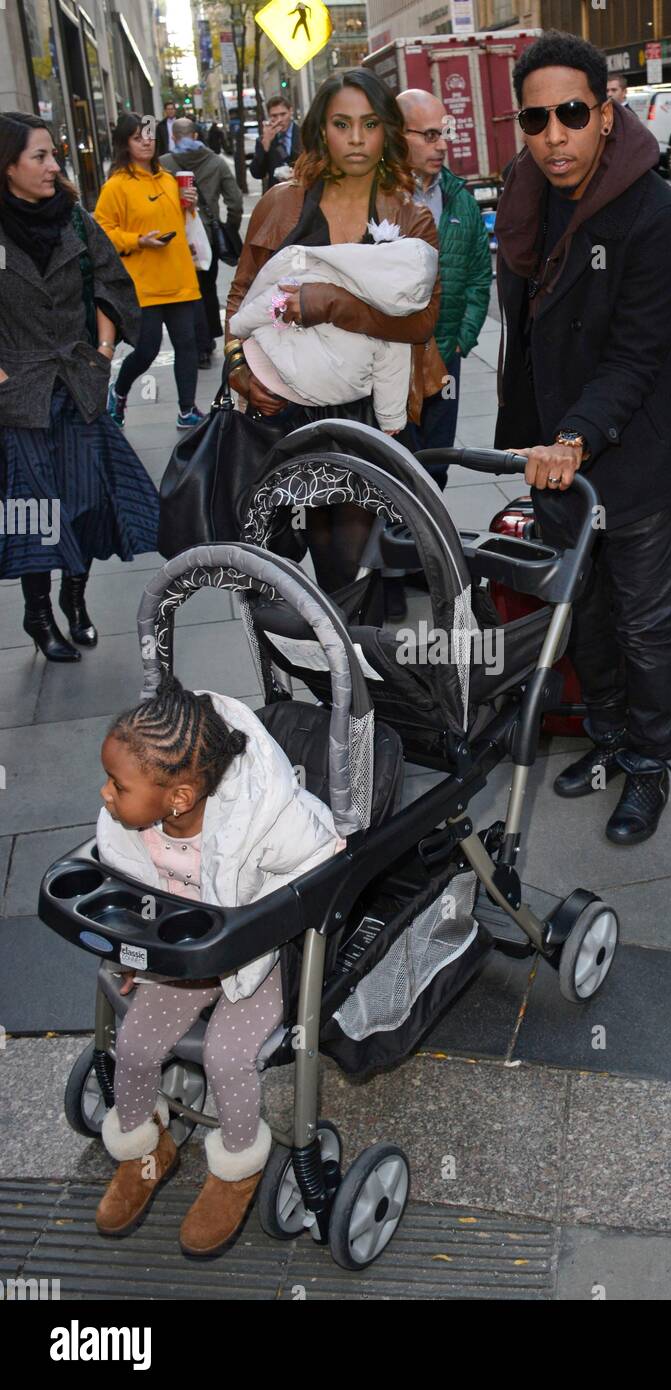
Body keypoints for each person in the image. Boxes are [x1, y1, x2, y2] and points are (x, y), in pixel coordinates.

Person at [494, 32, 671, 845]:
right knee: (581, 609)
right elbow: (525, 331)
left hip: (640, 454)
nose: (554, 134)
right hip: (558, 455)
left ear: (606, 113)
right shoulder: (523, 198)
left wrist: (575, 438)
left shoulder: (657, 215)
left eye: (572, 114)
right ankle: (609, 739)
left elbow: (635, 353)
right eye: (537, 117)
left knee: (642, 624)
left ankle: (649, 765)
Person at [94, 677, 342, 1255]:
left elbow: (325, 856)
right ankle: (142, 1149)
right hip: (179, 958)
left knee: (226, 1055)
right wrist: (130, 948)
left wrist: (266, 916)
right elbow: (125, 888)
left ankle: (236, 1167)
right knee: (132, 1044)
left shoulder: (264, 820)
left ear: (178, 797)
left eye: (118, 785)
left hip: (249, 962)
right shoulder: (130, 821)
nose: (106, 795)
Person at [225, 67, 444, 595]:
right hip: (284, 405)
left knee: (344, 557)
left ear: (387, 131)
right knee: (279, 565)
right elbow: (241, 299)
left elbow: (420, 323)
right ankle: (332, 659)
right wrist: (236, 369)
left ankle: (349, 664)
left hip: (366, 404)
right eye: (341, 123)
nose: (355, 138)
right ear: (321, 129)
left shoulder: (409, 217)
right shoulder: (282, 203)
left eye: (369, 124)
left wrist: (331, 304)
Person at [0, 112, 159, 662]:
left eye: (53, 154)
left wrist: (105, 350)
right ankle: (38, 613)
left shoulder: (72, 219)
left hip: (77, 382)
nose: (52, 165)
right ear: (8, 166)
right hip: (19, 397)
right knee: (36, 510)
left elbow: (112, 280)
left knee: (86, 502)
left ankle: (76, 599)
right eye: (39, 156)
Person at [229, 229, 438, 432]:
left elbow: (275, 297)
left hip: (282, 370)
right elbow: (395, 364)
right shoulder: (280, 203)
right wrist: (391, 419)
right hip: (316, 390)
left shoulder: (316, 270)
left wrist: (239, 326)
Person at [396, 87, 492, 486]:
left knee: (436, 466)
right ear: (399, 136)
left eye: (444, 134)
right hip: (393, 362)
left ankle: (431, 543)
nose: (442, 145)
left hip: (445, 355)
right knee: (398, 467)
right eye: (430, 135)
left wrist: (460, 340)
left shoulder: (459, 199)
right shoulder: (376, 198)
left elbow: (478, 276)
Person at [95, 113, 206, 431]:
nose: (146, 140)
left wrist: (189, 205)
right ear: (124, 144)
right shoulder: (116, 186)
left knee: (187, 343)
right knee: (146, 350)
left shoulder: (168, 178)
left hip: (179, 275)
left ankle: (187, 410)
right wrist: (137, 241)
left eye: (149, 134)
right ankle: (118, 391)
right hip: (141, 282)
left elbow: (179, 225)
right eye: (137, 136)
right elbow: (102, 233)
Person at [161, 115, 244, 368]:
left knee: (188, 293)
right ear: (196, 136)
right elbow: (236, 201)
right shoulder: (216, 162)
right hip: (207, 237)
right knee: (207, 288)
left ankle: (198, 345)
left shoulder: (163, 164)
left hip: (176, 238)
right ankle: (208, 342)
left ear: (174, 138)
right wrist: (228, 227)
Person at [249, 95, 302, 191]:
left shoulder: (305, 134)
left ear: (290, 111)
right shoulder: (265, 139)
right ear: (269, 116)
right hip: (277, 196)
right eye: (274, 116)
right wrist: (265, 145)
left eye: (283, 114)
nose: (279, 120)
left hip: (303, 193)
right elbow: (257, 173)